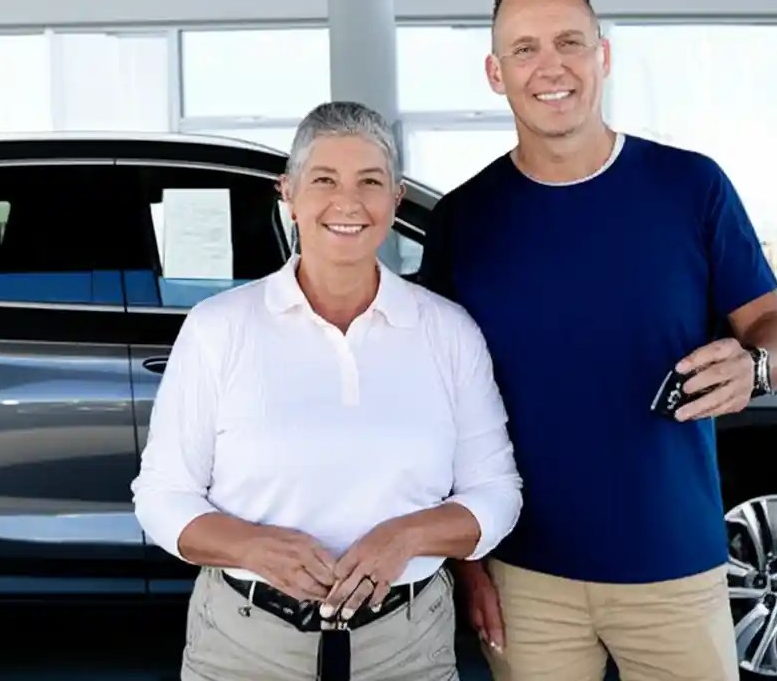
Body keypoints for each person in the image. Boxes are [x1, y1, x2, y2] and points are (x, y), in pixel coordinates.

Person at [417, 0, 777, 680]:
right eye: (524, 48)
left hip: (674, 568)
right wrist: (466, 562)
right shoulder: (463, 220)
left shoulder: (692, 186)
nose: (550, 66)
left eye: (569, 41)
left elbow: (775, 326)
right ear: (495, 73)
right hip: (524, 575)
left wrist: (756, 366)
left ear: (603, 55)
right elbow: (438, 405)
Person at [131, 100, 523, 681]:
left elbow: (496, 493)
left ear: (394, 199)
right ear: (286, 195)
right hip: (245, 645)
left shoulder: (447, 331)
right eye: (323, 180)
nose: (348, 202)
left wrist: (407, 536)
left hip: (406, 646)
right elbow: (162, 496)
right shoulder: (221, 326)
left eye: (370, 181)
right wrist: (251, 547)